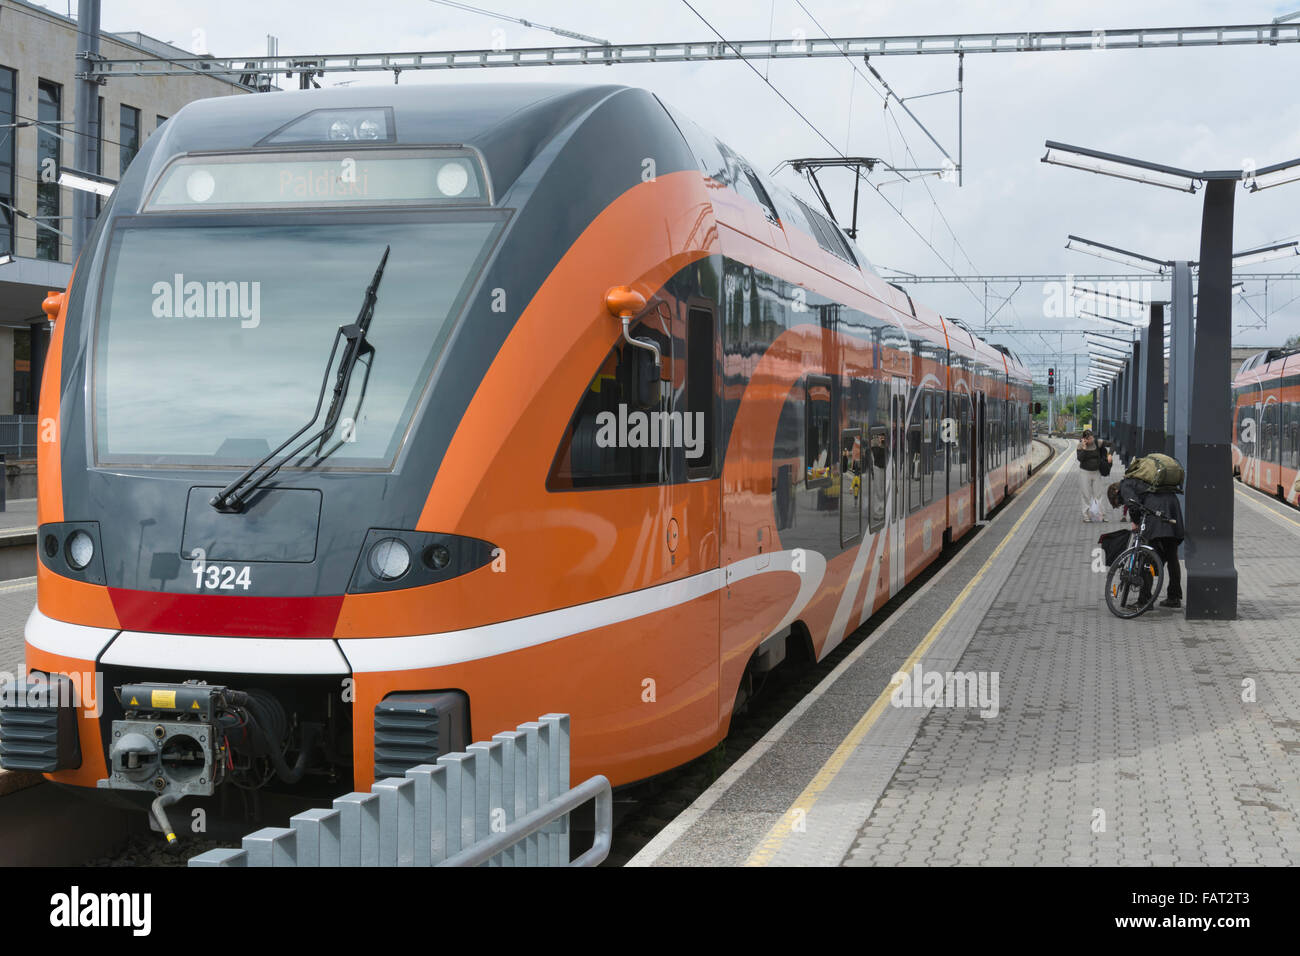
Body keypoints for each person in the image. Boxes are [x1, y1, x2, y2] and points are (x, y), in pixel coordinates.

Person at [1108, 477, 1184, 608]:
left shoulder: (1124, 485)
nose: (1121, 503)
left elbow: (1133, 504)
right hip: (1171, 507)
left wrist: (1135, 522)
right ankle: (1174, 597)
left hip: (1157, 512)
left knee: (1146, 559)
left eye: (1117, 502)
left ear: (1115, 490)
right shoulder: (1139, 481)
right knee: (1172, 557)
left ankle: (1144, 601)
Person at [1076, 429, 1109, 522]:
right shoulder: (1080, 446)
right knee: (1086, 495)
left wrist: (1110, 455)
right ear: (1084, 439)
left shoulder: (1097, 443)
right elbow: (1080, 459)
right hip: (1085, 472)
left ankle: (1102, 515)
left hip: (1096, 472)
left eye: (1091, 438)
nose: (1091, 440)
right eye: (1088, 439)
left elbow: (1111, 444)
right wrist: (1084, 448)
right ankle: (1086, 516)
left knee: (1098, 494)